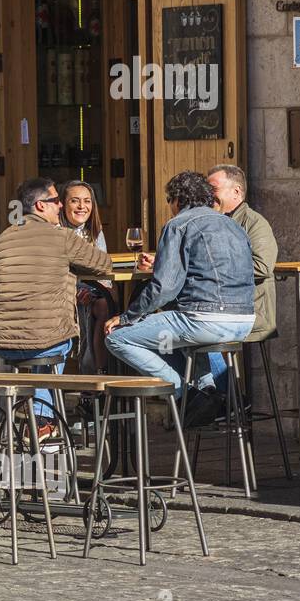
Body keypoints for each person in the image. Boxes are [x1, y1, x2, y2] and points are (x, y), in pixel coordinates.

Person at [105, 170, 256, 426]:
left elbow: (164, 288)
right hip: (244, 321)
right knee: (180, 336)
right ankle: (208, 393)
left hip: (204, 319)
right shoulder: (232, 224)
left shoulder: (178, 224)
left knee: (117, 338)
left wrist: (127, 316)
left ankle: (184, 394)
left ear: (177, 200)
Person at [0, 177, 112, 435]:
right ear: (41, 206)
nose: (61, 207)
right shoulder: (62, 237)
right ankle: (42, 423)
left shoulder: (1, 239)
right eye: (56, 201)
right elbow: (104, 265)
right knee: (53, 340)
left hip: (2, 344)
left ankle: (31, 413)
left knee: (42, 341)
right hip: (45, 341)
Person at [194, 164, 279, 419]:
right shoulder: (208, 222)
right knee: (173, 326)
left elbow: (262, 266)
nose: (208, 195)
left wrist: (212, 268)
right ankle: (210, 396)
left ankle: (224, 397)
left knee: (195, 329)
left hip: (248, 312)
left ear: (237, 191)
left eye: (213, 189)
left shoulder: (254, 223)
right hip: (217, 309)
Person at [59, 180, 115, 374]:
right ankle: (89, 375)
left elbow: (103, 268)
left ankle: (99, 373)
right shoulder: (57, 232)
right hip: (64, 293)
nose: (82, 207)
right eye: (75, 201)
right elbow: (57, 272)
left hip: (91, 291)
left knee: (104, 306)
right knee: (94, 307)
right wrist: (76, 291)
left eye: (87, 201)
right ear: (63, 204)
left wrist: (102, 290)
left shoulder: (94, 230)